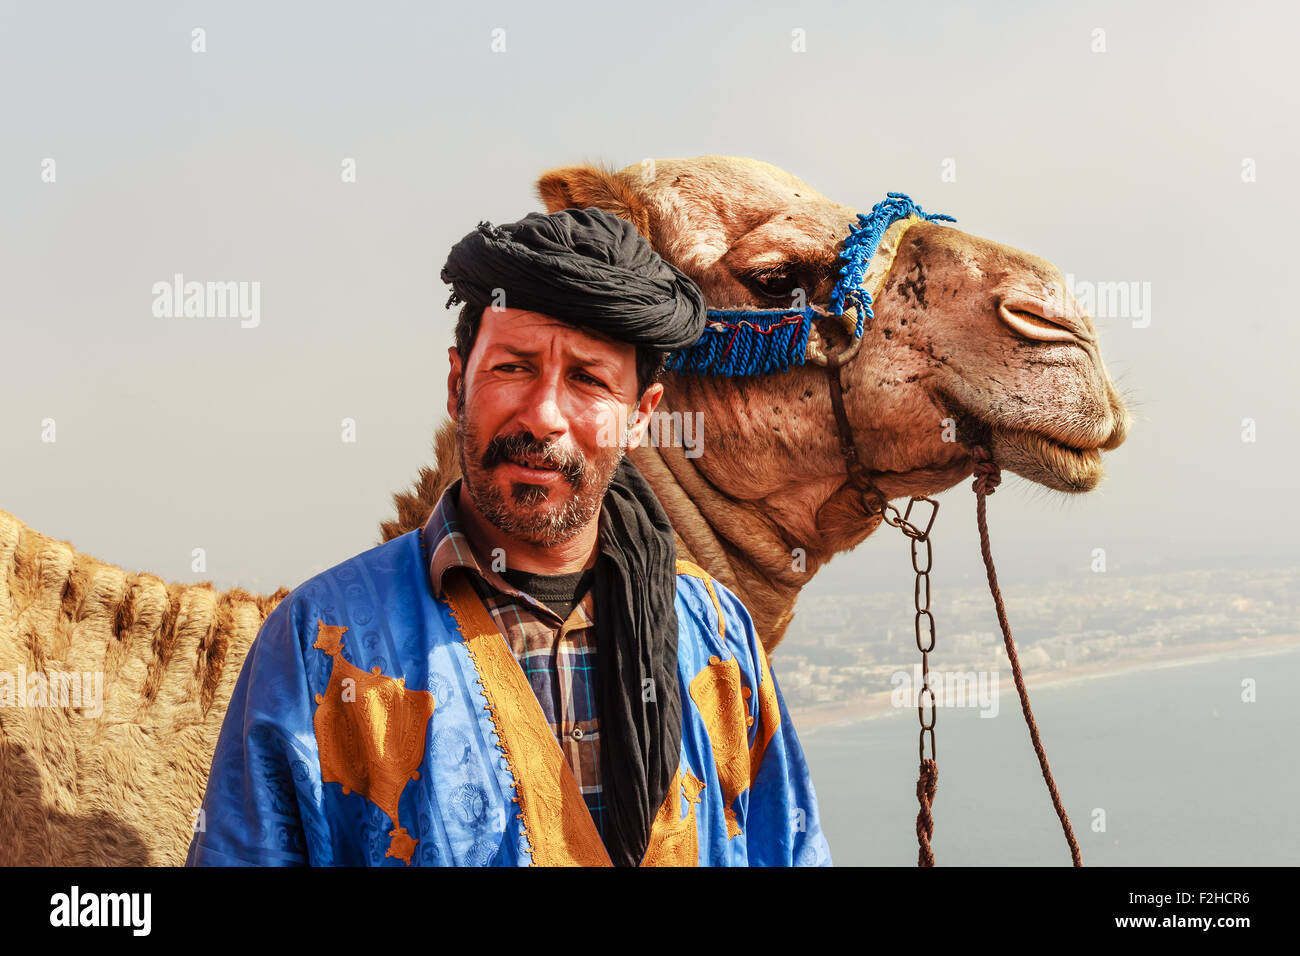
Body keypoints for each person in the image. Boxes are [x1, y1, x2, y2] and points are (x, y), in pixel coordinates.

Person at [186, 207, 831, 867]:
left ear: (641, 416)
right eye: (513, 368)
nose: (544, 414)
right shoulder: (319, 642)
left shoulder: (716, 635)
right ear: (455, 384)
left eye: (588, 379)